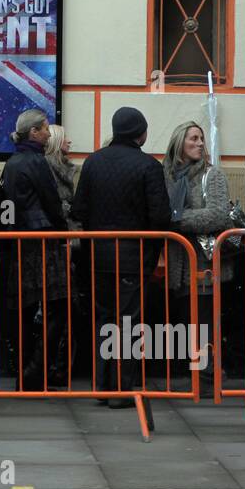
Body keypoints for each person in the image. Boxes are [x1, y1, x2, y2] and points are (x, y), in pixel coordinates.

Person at [72, 106, 171, 408]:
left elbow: (79, 211)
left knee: (104, 317)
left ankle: (103, 386)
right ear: (140, 133)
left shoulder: (93, 162)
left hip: (98, 254)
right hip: (134, 253)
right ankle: (121, 388)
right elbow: (160, 216)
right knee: (128, 320)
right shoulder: (148, 166)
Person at [0, 108, 69, 391]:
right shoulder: (36, 162)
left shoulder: (12, 162)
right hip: (42, 242)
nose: (48, 133)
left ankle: (24, 371)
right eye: (44, 128)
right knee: (57, 308)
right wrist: (63, 231)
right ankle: (34, 373)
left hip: (19, 242)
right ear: (33, 133)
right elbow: (51, 201)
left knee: (25, 310)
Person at [162, 121, 234, 383]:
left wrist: (177, 219)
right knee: (187, 320)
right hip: (179, 261)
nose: (200, 143)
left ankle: (207, 377)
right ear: (179, 142)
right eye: (193, 138)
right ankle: (195, 372)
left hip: (205, 260)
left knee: (204, 319)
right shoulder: (168, 175)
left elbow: (218, 215)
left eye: (201, 139)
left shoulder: (211, 175)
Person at [44, 124, 78, 223]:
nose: (69, 141)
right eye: (64, 137)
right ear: (56, 140)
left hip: (67, 226)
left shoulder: (65, 166)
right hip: (56, 226)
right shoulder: (46, 165)